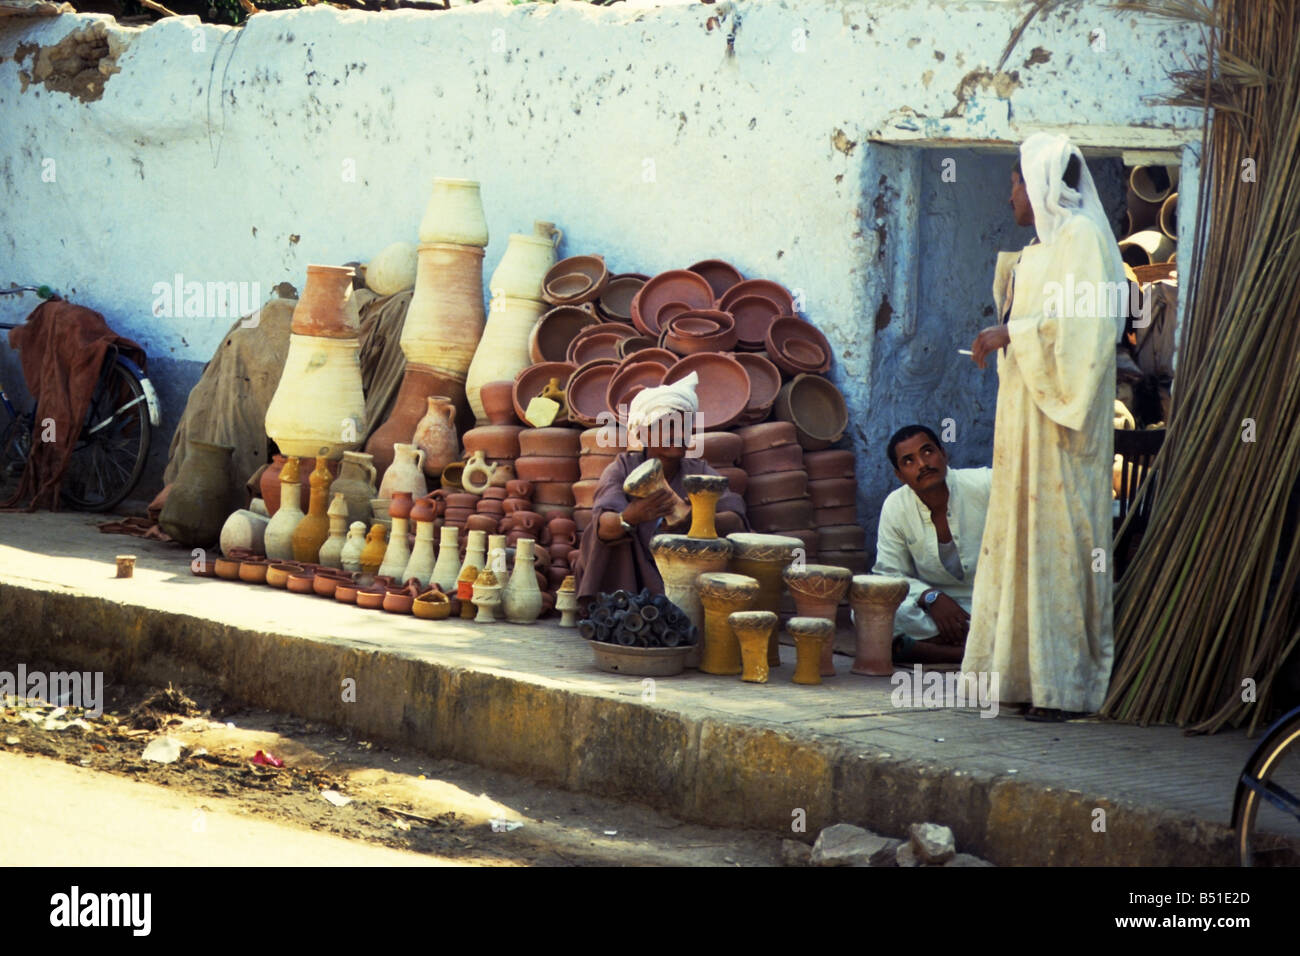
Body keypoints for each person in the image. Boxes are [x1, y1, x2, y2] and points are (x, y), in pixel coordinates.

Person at [962, 133, 1127, 721]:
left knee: (1059, 545)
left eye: (1014, 182)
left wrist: (1013, 333)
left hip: (1062, 430)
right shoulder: (1042, 247)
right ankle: (1018, 678)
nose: (1010, 193)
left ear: (1039, 183)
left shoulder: (1081, 239)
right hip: (1025, 421)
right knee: (1022, 539)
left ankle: (1063, 687)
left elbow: (1085, 330)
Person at [571, 373, 748, 607]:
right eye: (667, 427)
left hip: (685, 576)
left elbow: (735, 519)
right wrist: (633, 516)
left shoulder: (699, 470)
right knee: (611, 533)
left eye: (685, 427)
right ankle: (620, 608)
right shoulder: (622, 468)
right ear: (644, 434)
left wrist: (697, 520)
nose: (678, 435)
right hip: (634, 577)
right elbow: (603, 526)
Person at [872, 425, 992, 664]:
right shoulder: (896, 506)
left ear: (943, 454)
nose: (922, 464)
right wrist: (930, 596)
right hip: (942, 610)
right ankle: (972, 651)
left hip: (995, 603)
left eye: (928, 452)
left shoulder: (986, 484)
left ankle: (936, 650)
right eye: (909, 461)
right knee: (872, 610)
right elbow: (889, 575)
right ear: (900, 475)